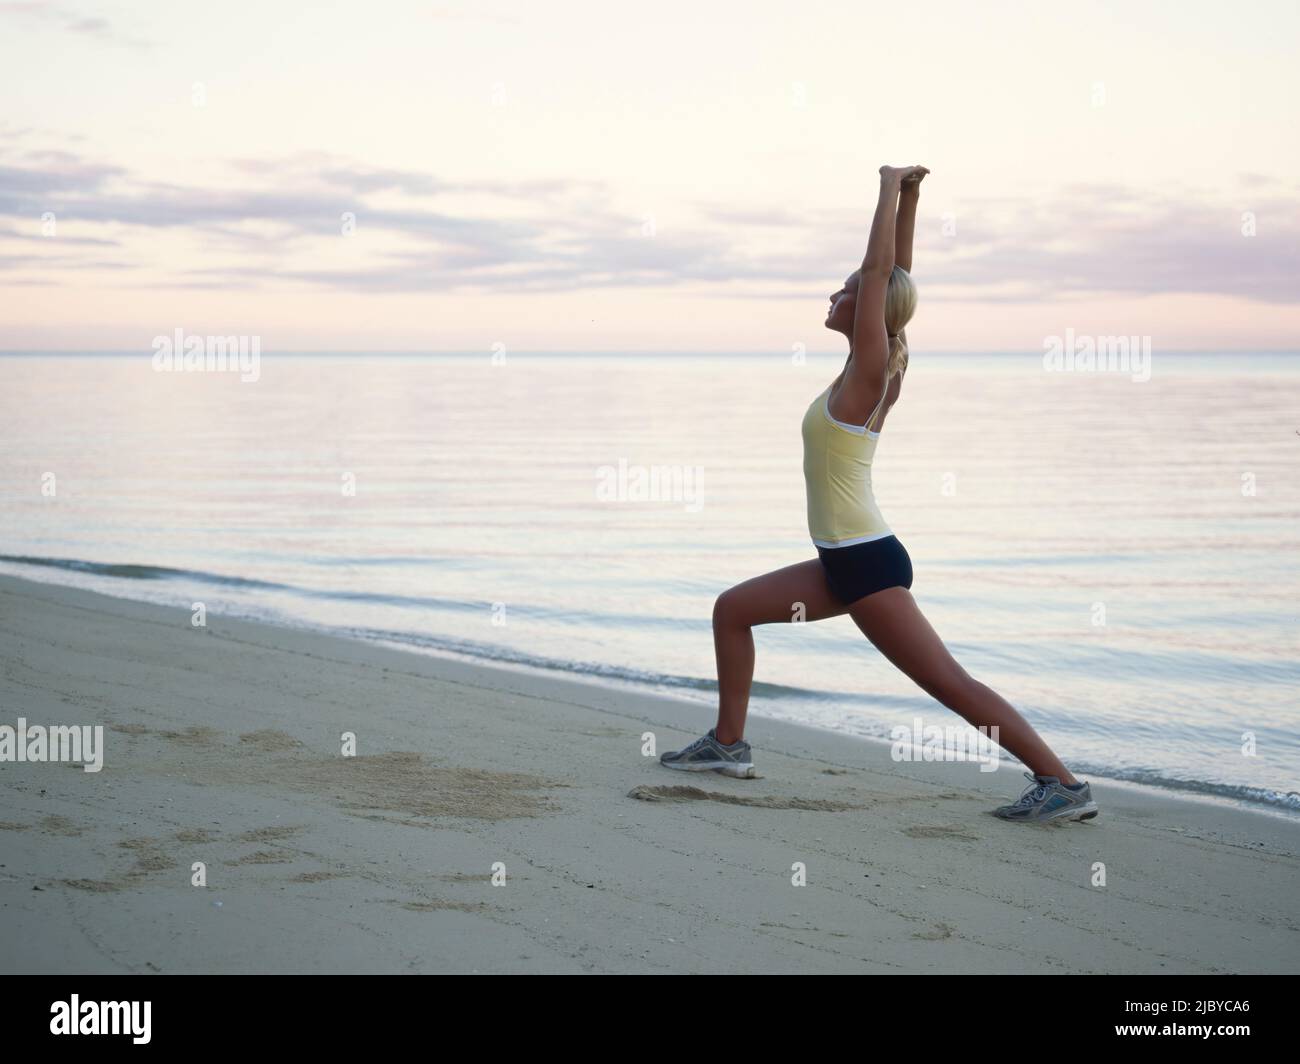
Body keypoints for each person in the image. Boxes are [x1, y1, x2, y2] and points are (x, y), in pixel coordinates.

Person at [661, 165, 1098, 824]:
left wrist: (889, 188)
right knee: (732, 611)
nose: (836, 296)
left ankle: (1060, 782)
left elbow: (878, 279)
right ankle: (728, 746)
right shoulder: (868, 367)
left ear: (865, 310)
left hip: (867, 564)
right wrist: (913, 202)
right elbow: (893, 282)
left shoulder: (869, 375)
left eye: (845, 292)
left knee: (948, 684)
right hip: (847, 559)